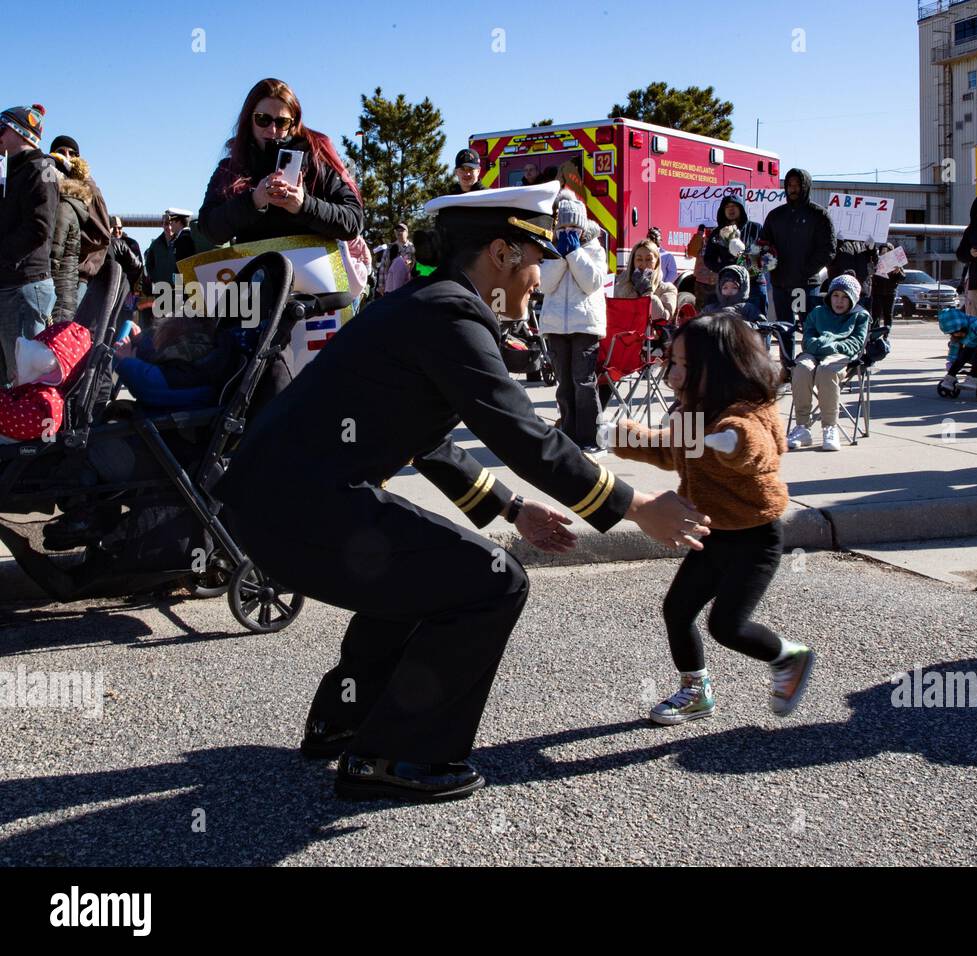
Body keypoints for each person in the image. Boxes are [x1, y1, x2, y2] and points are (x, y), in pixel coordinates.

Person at [213, 183, 710, 803]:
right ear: (500, 252)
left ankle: (342, 721)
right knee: (493, 582)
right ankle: (395, 755)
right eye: (534, 260)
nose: (537, 278)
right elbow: (520, 432)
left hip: (277, 507)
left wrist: (513, 508)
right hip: (302, 509)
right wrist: (636, 506)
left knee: (424, 570)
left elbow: (427, 440)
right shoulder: (450, 312)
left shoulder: (423, 304)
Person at [607, 311, 813, 723]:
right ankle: (694, 691)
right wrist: (629, 440)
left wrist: (729, 440)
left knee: (727, 626)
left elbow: (756, 449)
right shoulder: (694, 410)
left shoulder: (749, 409)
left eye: (687, 365)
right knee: (677, 610)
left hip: (755, 537)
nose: (675, 373)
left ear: (720, 367)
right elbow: (672, 450)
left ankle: (789, 656)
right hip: (711, 532)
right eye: (675, 363)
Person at [198, 77, 363, 247]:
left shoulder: (316, 159)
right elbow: (209, 230)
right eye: (263, 119)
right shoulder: (231, 167)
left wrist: (304, 205)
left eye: (282, 122)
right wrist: (254, 200)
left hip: (310, 270)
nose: (272, 129)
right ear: (249, 120)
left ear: (293, 123)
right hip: (257, 270)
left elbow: (354, 222)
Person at [537, 189, 607, 451]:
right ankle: (568, 432)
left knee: (584, 381)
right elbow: (545, 284)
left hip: (585, 324)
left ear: (582, 227)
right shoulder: (550, 250)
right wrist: (560, 256)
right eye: (562, 226)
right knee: (564, 382)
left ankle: (591, 436)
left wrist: (574, 254)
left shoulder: (594, 249)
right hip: (556, 326)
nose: (568, 231)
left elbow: (591, 283)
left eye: (573, 227)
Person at [0, 103, 57, 387]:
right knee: (15, 374)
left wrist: (3, 255)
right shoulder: (15, 173)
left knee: (29, 377)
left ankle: (34, 431)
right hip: (13, 284)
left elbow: (40, 227)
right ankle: (18, 429)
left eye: (1, 129)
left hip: (26, 285)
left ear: (18, 132)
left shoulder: (41, 167)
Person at [786, 272, 870, 452]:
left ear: (853, 299)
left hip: (840, 357)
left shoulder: (860, 316)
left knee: (826, 370)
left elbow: (855, 344)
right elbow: (807, 340)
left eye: (845, 297)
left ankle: (829, 428)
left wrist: (828, 347)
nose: (839, 301)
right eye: (835, 295)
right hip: (813, 354)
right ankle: (802, 428)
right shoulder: (817, 313)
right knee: (801, 368)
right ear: (830, 296)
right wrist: (820, 346)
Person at [760, 168, 835, 358]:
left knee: (809, 327)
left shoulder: (819, 215)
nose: (793, 189)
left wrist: (805, 271)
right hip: (780, 284)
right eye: (790, 185)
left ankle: (810, 367)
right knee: (784, 328)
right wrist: (765, 260)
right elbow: (764, 244)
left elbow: (828, 250)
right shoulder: (775, 215)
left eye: (797, 185)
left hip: (805, 285)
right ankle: (788, 370)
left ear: (806, 187)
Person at [46, 135, 112, 303]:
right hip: (48, 270)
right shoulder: (47, 182)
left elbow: (101, 235)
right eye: (61, 152)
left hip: (77, 273)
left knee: (65, 325)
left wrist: (69, 242)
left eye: (72, 153)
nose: (66, 156)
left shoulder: (88, 187)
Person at [703, 195, 763, 314]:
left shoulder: (755, 228)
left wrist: (744, 257)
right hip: (729, 287)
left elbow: (764, 254)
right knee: (730, 323)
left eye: (734, 206)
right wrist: (725, 269)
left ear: (741, 209)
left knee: (757, 323)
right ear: (723, 211)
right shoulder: (717, 233)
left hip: (754, 284)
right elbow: (708, 259)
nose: (731, 209)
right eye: (728, 207)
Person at [47, 153, 84, 323]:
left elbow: (54, 254)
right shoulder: (67, 204)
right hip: (64, 292)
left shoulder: (62, 207)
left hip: (58, 294)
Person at [144, 208, 197, 323]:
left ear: (178, 222)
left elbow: (183, 268)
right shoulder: (157, 244)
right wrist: (157, 279)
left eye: (171, 222)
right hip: (164, 290)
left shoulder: (182, 240)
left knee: (175, 323)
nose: (169, 226)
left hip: (179, 292)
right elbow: (149, 264)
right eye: (165, 223)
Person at [613, 237, 677, 325]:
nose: (644, 264)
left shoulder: (668, 289)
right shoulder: (620, 286)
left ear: (657, 262)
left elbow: (664, 319)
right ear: (633, 262)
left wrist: (647, 293)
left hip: (652, 338)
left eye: (648, 259)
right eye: (639, 259)